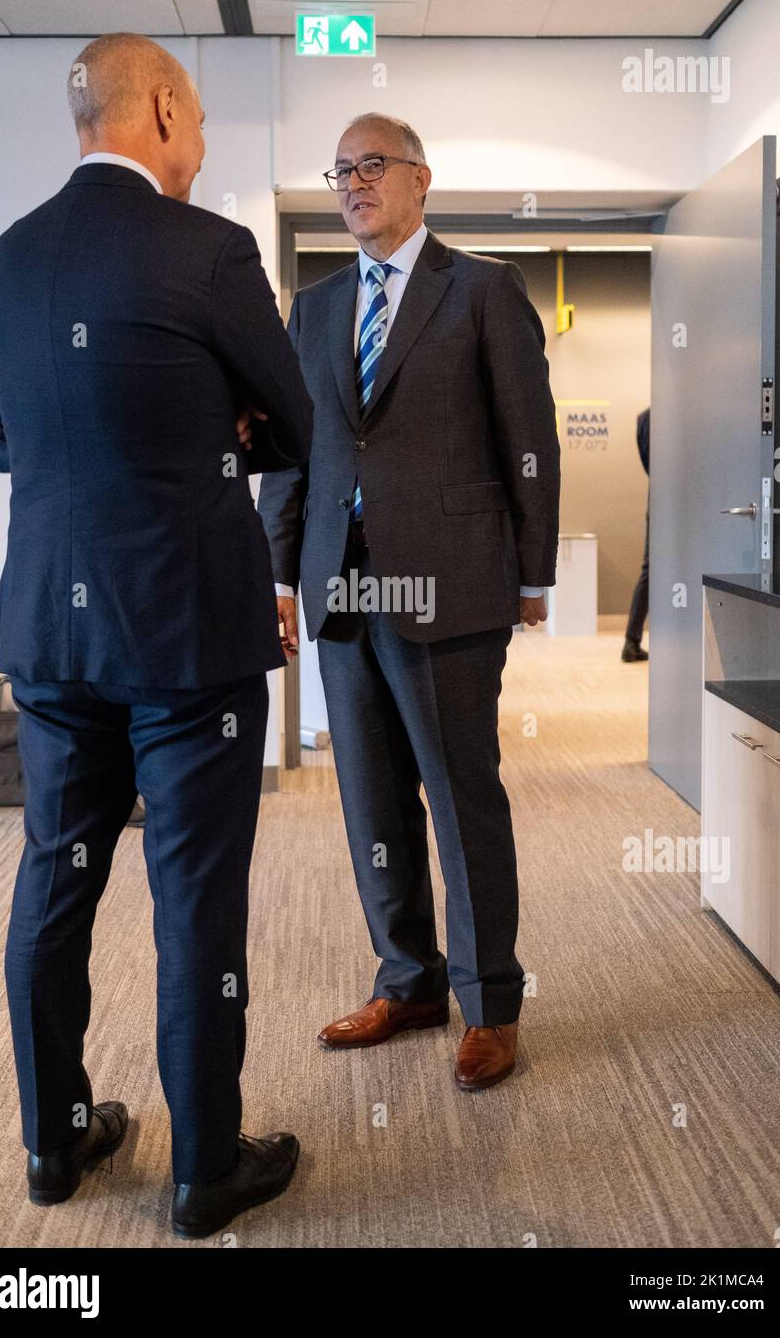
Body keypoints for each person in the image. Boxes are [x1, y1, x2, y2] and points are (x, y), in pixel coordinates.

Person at [0, 32, 313, 1239]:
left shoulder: (7, 258)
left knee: (52, 883)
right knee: (195, 901)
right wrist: (225, 424)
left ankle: (52, 1142)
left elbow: (4, 444)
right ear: (162, 107)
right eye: (203, 118)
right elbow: (297, 424)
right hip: (185, 636)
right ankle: (203, 1170)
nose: (205, 142)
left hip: (50, 638)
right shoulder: (209, 250)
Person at [259, 113, 560, 1092]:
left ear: (420, 178)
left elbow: (529, 437)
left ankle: (489, 1002)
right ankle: (410, 980)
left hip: (451, 582)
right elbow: (293, 453)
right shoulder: (313, 308)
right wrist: (279, 574)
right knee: (371, 797)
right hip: (340, 584)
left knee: (461, 797)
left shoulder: (481, 289)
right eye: (340, 171)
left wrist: (532, 575)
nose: (353, 183)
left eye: (371, 165)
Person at [622, 408, 650, 662]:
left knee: (649, 571)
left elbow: (647, 465)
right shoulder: (677, 417)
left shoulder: (643, 419)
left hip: (657, 498)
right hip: (679, 502)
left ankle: (632, 641)